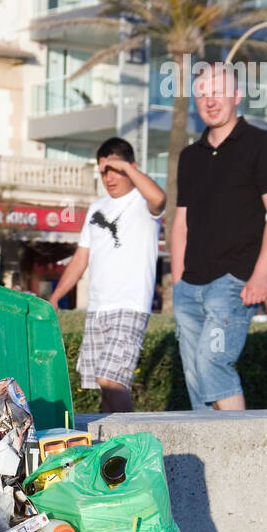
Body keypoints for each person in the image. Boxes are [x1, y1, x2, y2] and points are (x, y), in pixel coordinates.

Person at [171, 61, 267, 410]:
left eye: (218, 92)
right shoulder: (190, 156)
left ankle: (242, 460)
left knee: (213, 363)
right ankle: (209, 461)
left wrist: (261, 275)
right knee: (195, 375)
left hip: (234, 281)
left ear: (236, 95)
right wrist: (178, 282)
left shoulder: (260, 144)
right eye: (202, 94)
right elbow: (181, 223)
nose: (209, 101)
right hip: (189, 286)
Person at [50, 136, 165, 412]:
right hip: (98, 309)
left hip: (130, 306)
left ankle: (129, 446)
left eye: (115, 169)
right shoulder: (96, 208)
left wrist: (128, 168)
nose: (108, 177)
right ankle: (110, 449)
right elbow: (81, 258)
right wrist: (54, 298)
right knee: (104, 386)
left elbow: (160, 198)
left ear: (130, 167)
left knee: (111, 379)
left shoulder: (142, 201)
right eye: (103, 171)